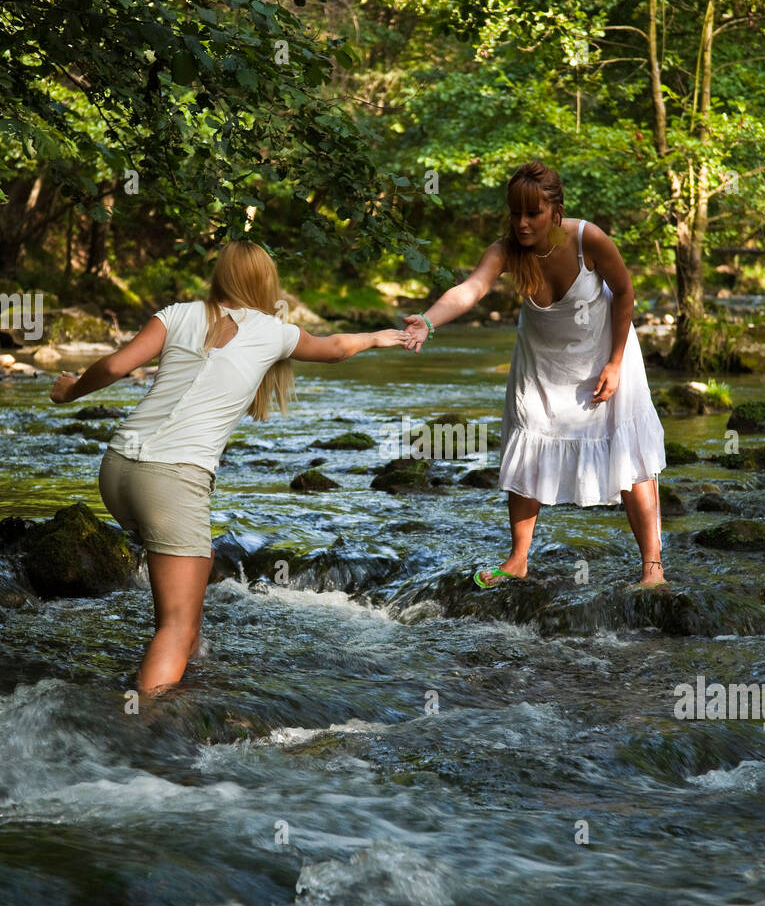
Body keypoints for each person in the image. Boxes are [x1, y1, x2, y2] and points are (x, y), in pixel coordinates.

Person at [50, 239, 409, 694]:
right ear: (264, 282)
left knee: (193, 587)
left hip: (118, 467)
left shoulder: (177, 313)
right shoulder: (273, 330)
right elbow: (336, 347)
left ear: (220, 275)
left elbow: (118, 365)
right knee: (177, 626)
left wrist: (70, 391)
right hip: (171, 480)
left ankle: (187, 681)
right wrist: (380, 336)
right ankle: (144, 730)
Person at [402, 160, 667, 588]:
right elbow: (470, 289)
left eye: (533, 214)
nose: (522, 223)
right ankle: (518, 559)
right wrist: (428, 322)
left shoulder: (587, 239)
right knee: (529, 443)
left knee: (629, 455)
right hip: (541, 361)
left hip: (605, 354)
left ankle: (652, 566)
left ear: (555, 212)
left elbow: (625, 292)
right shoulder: (506, 250)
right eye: (515, 213)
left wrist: (615, 362)